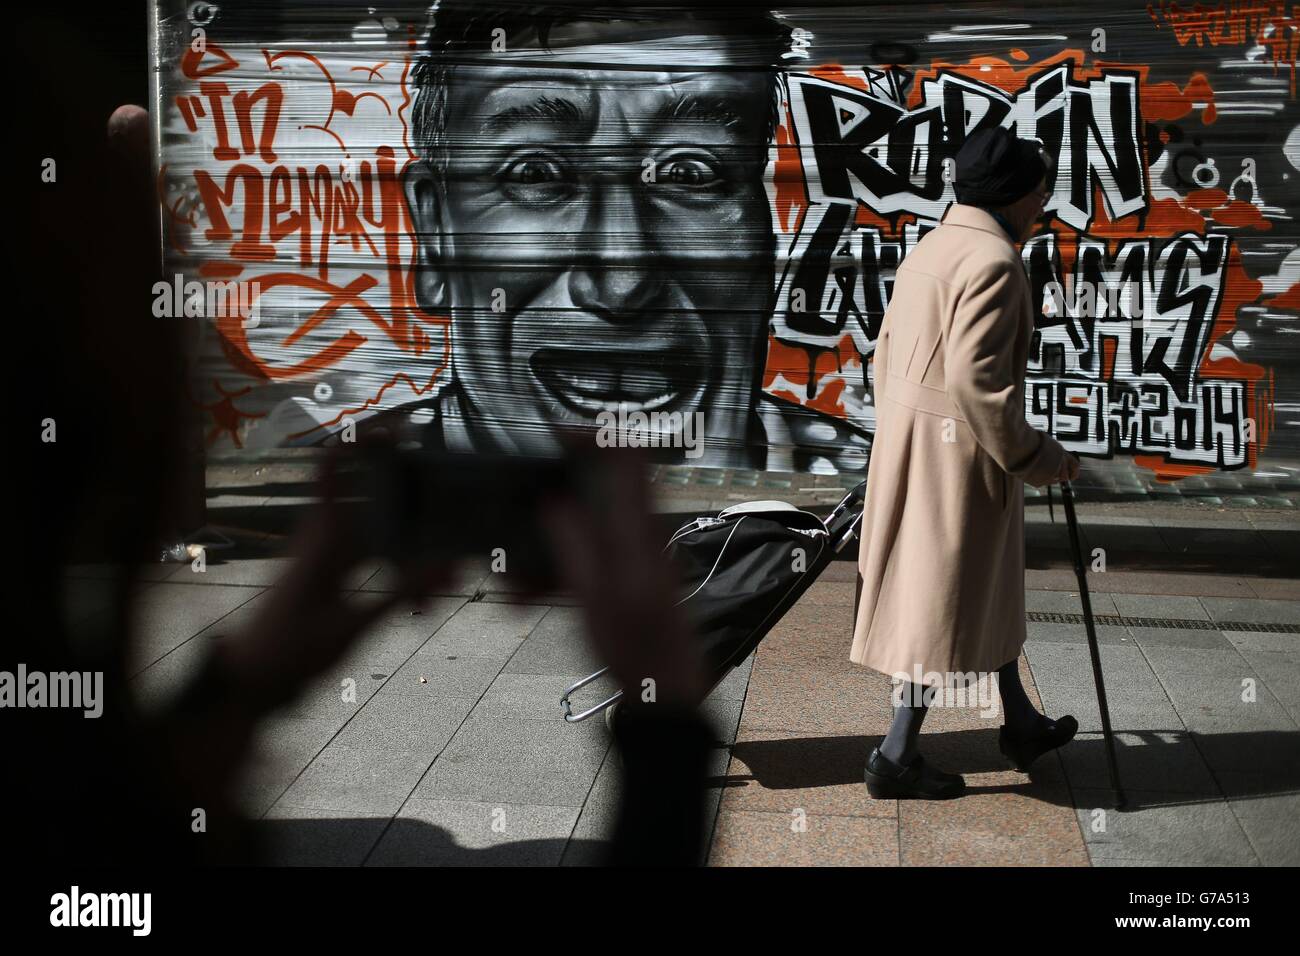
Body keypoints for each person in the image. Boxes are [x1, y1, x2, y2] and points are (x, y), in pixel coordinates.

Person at [338, 3, 872, 474]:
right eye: (536, 175)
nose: (623, 281)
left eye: (689, 173)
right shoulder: (358, 494)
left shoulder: (865, 499)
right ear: (435, 234)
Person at [850, 126, 1082, 800]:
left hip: (921, 449)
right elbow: (980, 387)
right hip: (959, 465)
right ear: (1013, 195)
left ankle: (1021, 723)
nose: (1044, 200)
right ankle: (895, 755)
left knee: (980, 591)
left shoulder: (935, 245)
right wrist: (1042, 458)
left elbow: (885, 354)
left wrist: (903, 432)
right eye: (1039, 189)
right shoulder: (996, 263)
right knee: (942, 599)